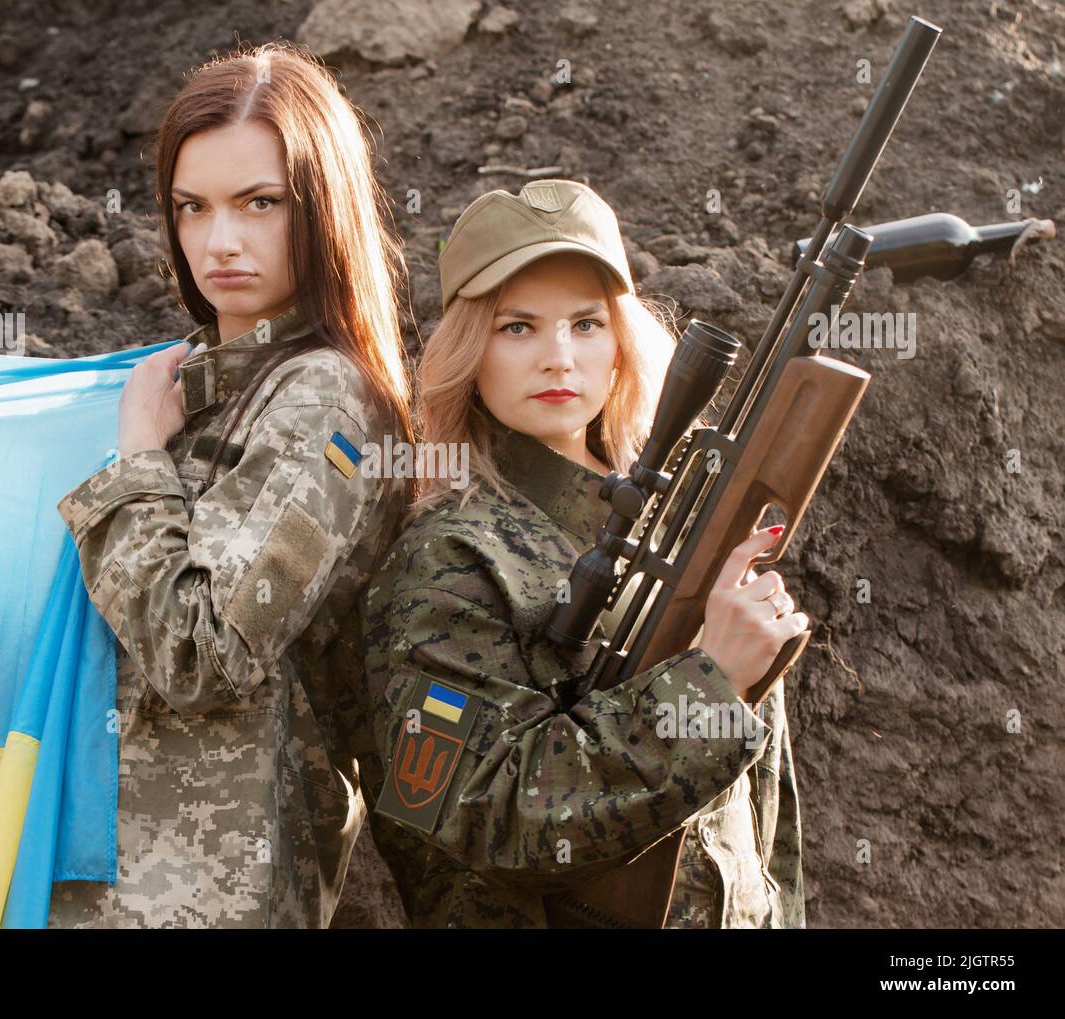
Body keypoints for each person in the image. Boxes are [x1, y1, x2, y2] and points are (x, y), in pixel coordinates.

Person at [0, 41, 414, 928]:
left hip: (202, 895)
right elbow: (16, 548)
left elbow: (200, 653)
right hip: (102, 871)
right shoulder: (195, 379)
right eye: (191, 208)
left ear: (324, 209)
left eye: (259, 204)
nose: (219, 240)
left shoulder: (322, 398)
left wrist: (135, 463)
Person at [342, 179, 807, 928]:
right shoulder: (445, 560)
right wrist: (708, 685)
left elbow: (761, 822)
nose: (559, 358)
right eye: (517, 327)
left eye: (586, 324)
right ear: (468, 350)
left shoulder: (681, 535)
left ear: (623, 343)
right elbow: (480, 810)